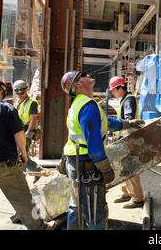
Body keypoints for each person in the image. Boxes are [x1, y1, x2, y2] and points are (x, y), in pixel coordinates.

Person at [0, 80, 54, 230]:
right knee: (23, 200)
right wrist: (23, 154)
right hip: (5, 163)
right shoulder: (6, 108)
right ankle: (38, 227)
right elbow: (18, 134)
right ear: (1, 92)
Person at [61, 71, 144, 230]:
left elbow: (104, 121)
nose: (88, 75)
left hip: (74, 160)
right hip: (87, 164)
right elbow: (94, 144)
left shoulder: (80, 102)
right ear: (78, 84)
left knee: (76, 205)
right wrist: (105, 168)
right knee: (95, 213)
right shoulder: (88, 106)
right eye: (83, 75)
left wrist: (126, 124)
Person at [110, 76, 145, 209]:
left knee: (130, 168)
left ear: (120, 88)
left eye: (114, 90)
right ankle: (125, 193)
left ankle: (137, 198)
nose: (113, 92)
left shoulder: (128, 100)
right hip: (124, 139)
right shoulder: (125, 99)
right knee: (123, 167)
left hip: (129, 139)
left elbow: (129, 120)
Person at [13, 80, 45, 183]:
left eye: (22, 93)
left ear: (26, 90)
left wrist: (29, 133)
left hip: (26, 129)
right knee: (22, 153)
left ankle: (21, 176)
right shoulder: (18, 102)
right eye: (18, 93)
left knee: (22, 154)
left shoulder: (32, 103)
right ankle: (37, 170)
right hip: (19, 129)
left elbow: (33, 119)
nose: (20, 95)